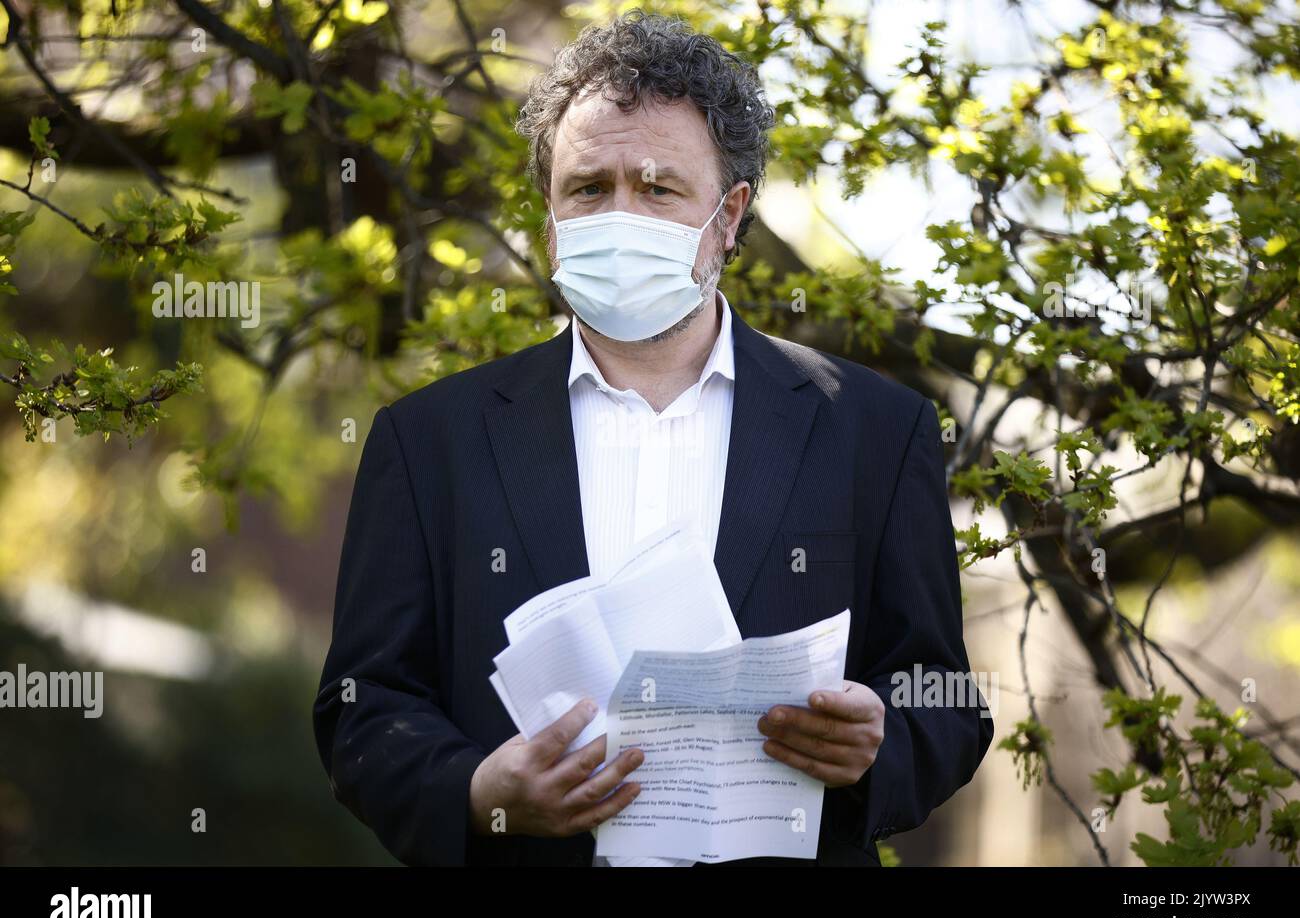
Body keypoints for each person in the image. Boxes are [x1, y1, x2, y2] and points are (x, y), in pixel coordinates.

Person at [313, 10, 993, 866]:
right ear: (551, 217)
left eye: (658, 187)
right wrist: (477, 791)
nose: (619, 212)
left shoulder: (874, 429)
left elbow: (947, 701)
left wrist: (878, 745)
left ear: (730, 214)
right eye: (589, 188)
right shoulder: (427, 442)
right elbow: (360, 702)